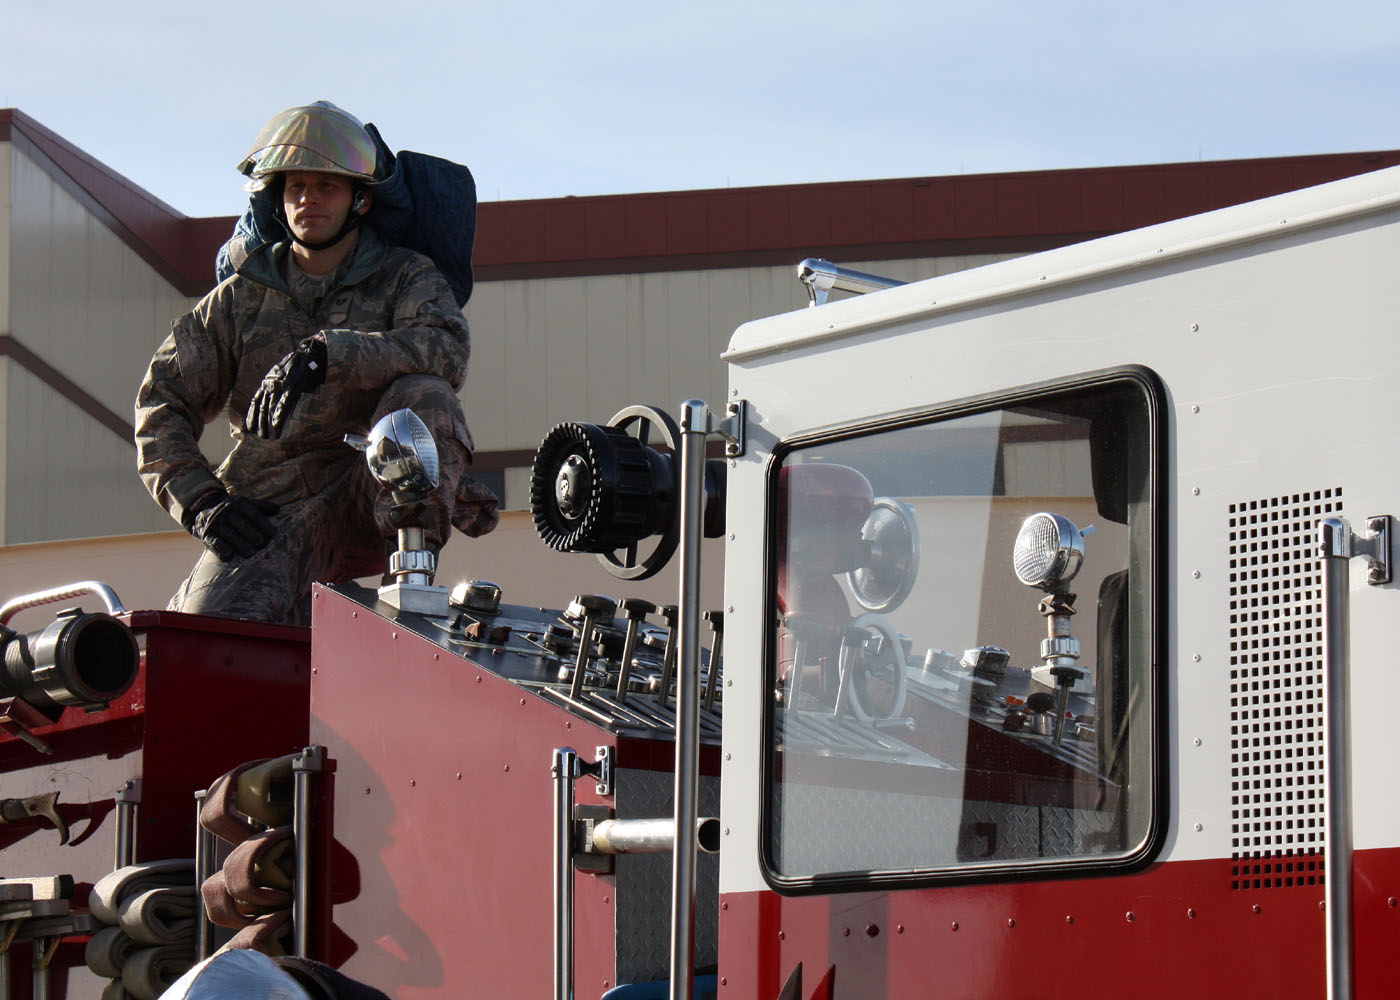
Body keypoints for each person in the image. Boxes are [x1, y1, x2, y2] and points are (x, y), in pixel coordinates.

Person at [135, 102, 497, 626]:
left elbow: (445, 348)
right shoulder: (238, 300)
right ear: (278, 201)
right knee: (208, 635)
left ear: (361, 200)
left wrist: (333, 354)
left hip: (373, 494)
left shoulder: (405, 277)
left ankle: (413, 585)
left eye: (326, 185)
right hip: (274, 507)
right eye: (295, 186)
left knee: (426, 394)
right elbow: (162, 403)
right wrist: (202, 503)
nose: (308, 198)